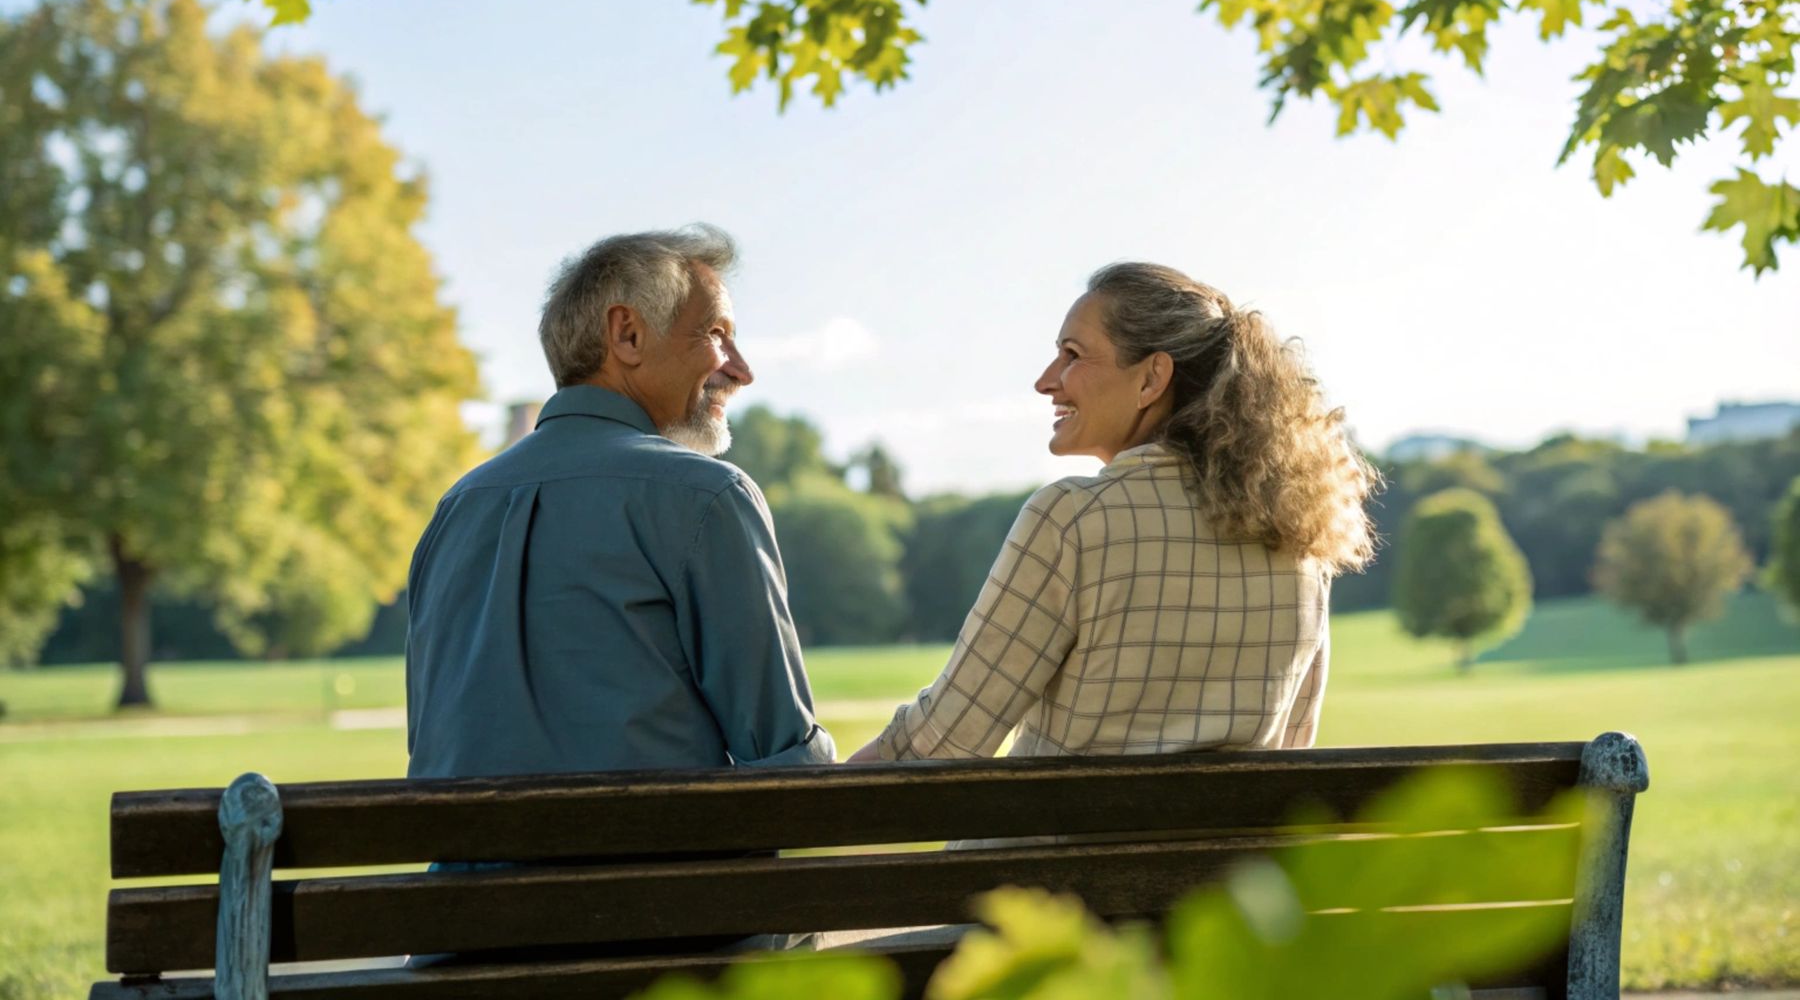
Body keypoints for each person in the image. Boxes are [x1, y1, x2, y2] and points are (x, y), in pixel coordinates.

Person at [850, 262, 1378, 764]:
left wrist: (826, 787)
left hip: (1057, 835)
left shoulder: (1073, 519)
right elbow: (1291, 747)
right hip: (1236, 837)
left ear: (1151, 380)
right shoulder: (1298, 538)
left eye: (1072, 355)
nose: (1045, 380)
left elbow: (944, 742)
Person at [406, 224, 834, 781]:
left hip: (459, 844)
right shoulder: (707, 497)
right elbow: (789, 774)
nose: (741, 370)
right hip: (650, 844)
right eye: (716, 334)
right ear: (627, 334)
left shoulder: (454, 510)